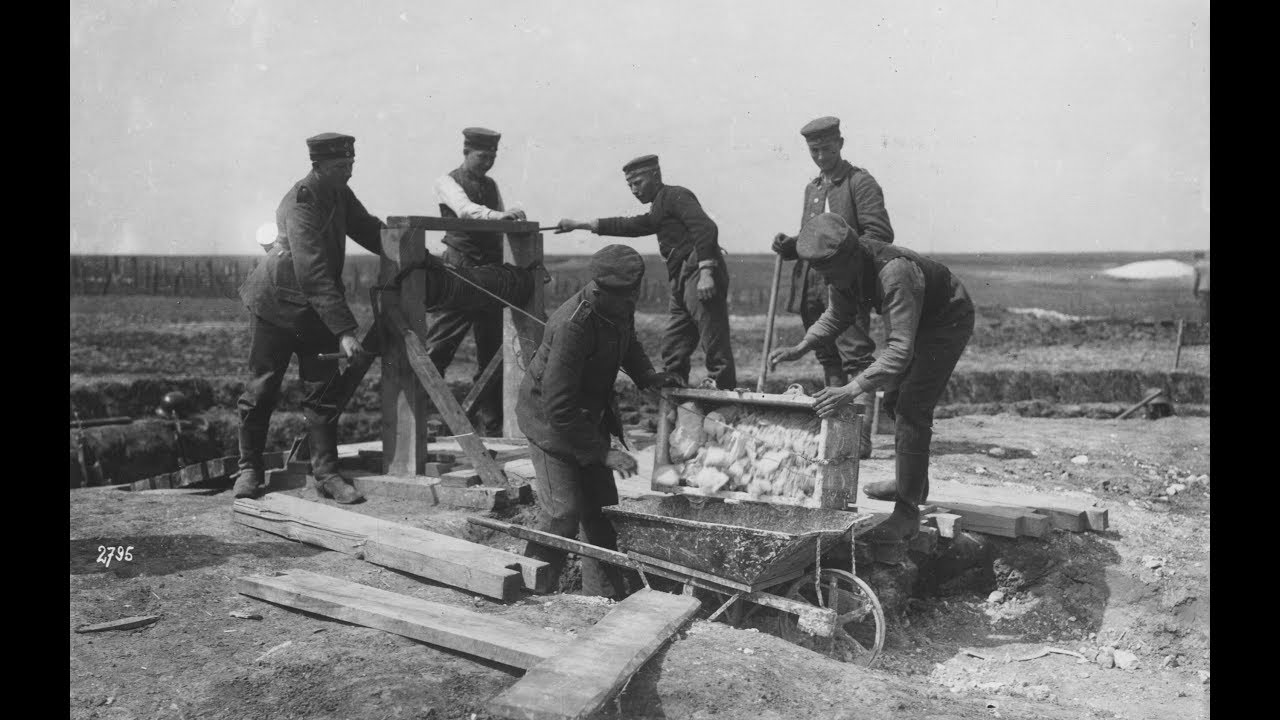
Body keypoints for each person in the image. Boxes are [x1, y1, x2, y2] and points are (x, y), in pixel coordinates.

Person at [768, 214, 974, 542]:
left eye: (826, 272)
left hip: (945, 319)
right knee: (895, 400)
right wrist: (801, 347)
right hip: (917, 319)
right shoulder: (844, 269)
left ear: (848, 256)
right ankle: (913, 484)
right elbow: (837, 314)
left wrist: (849, 389)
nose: (823, 279)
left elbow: (898, 353)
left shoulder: (894, 273)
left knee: (911, 407)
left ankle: (907, 513)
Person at [516, 244, 684, 597]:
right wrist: (603, 453)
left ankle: (603, 595)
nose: (630, 302)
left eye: (632, 295)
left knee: (603, 513)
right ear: (598, 288)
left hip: (587, 419)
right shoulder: (573, 325)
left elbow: (629, 344)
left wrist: (647, 377)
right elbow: (557, 405)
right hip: (549, 421)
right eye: (621, 295)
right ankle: (532, 586)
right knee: (563, 512)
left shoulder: (619, 305)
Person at [234, 133, 386, 503]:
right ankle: (249, 470)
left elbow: (368, 228)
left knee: (322, 393)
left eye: (351, 165)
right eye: (340, 167)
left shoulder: (338, 191)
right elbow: (313, 269)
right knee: (261, 389)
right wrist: (346, 331)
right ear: (317, 165)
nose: (348, 173)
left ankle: (327, 474)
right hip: (277, 306)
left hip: (315, 309)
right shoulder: (303, 201)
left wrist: (416, 254)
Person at [556, 155, 737, 389]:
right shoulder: (659, 207)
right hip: (680, 279)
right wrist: (579, 225)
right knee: (673, 347)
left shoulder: (675, 195)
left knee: (714, 344)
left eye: (637, 182)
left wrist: (706, 272)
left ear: (655, 175)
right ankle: (674, 407)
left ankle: (726, 405)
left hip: (696, 272)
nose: (634, 190)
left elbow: (705, 227)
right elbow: (631, 225)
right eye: (630, 185)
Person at [772, 116, 894, 459]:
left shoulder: (860, 182)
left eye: (827, 148)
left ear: (840, 143)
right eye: (815, 150)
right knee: (826, 352)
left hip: (847, 280)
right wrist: (792, 244)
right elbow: (815, 239)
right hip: (811, 281)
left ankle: (859, 440)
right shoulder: (813, 188)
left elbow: (880, 234)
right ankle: (838, 431)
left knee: (855, 354)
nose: (822, 156)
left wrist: (848, 261)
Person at [423, 127, 527, 436]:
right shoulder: (448, 182)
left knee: (492, 350)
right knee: (440, 346)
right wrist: (501, 216)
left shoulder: (491, 185)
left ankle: (491, 423)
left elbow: (498, 219)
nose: (488, 162)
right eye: (483, 156)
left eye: (493, 157)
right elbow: (467, 211)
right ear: (466, 152)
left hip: (490, 271)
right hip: (460, 269)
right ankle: (425, 415)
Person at [1191, 251, 1210, 323]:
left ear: (1196, 257)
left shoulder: (1197, 266)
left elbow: (1196, 280)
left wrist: (1194, 292)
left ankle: (1205, 328)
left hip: (1203, 290)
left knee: (1204, 310)